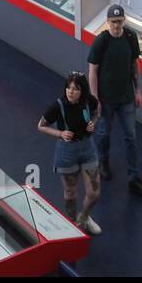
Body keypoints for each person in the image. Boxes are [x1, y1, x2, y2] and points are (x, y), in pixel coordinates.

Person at [88, 5, 142, 198]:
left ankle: (133, 177)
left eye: (119, 21)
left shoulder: (130, 37)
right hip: (106, 99)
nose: (116, 25)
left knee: (130, 137)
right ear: (108, 22)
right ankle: (103, 161)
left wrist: (138, 90)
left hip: (126, 98)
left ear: (124, 21)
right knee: (103, 133)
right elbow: (92, 70)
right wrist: (94, 98)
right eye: (113, 22)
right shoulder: (101, 41)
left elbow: (134, 64)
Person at [37, 72, 102, 234]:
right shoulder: (58, 106)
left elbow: (97, 111)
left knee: (94, 193)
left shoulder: (89, 101)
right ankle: (72, 223)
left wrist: (93, 123)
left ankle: (84, 217)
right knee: (70, 192)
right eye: (68, 88)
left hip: (87, 148)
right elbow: (40, 125)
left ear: (83, 91)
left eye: (75, 89)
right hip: (67, 152)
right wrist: (60, 133)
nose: (70, 92)